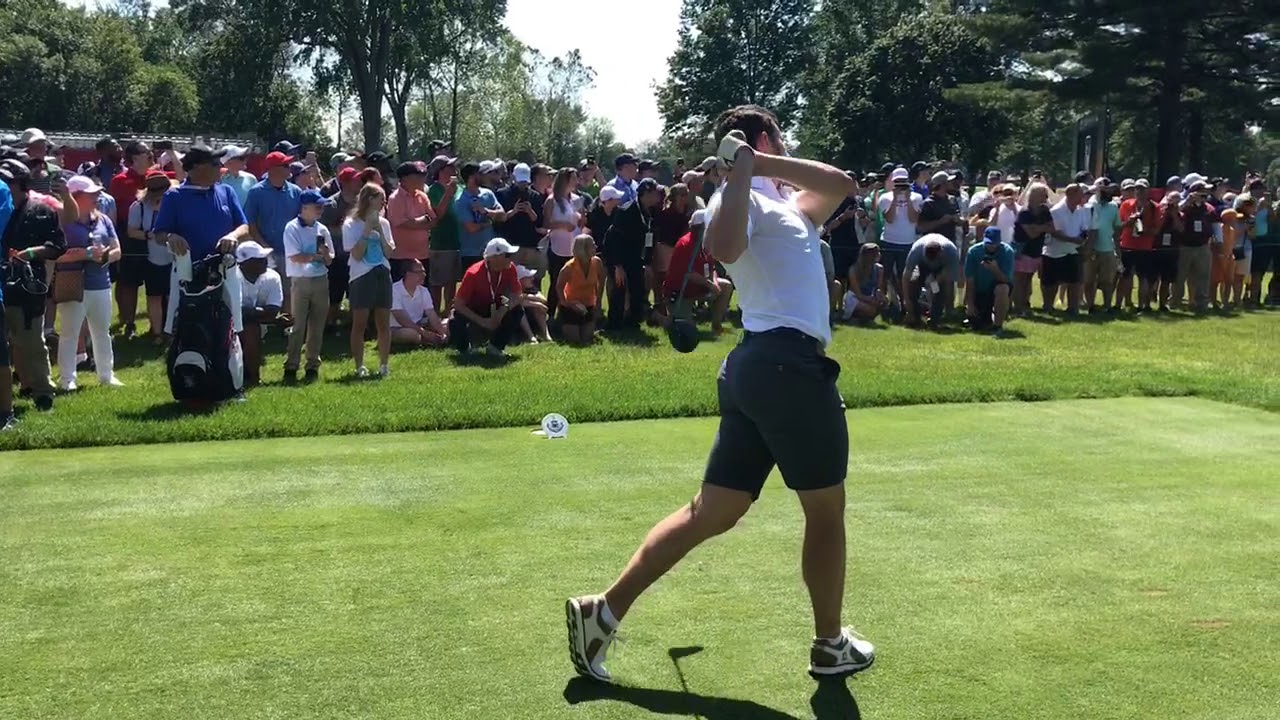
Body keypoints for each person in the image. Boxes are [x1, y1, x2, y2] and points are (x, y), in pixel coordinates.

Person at [566, 105, 874, 684]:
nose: (783, 148)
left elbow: (841, 185)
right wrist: (737, 176)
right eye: (775, 139)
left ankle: (600, 612)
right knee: (826, 512)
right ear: (760, 137)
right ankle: (830, 645)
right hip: (783, 365)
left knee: (715, 511)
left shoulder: (793, 204)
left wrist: (759, 162)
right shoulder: (736, 202)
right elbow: (728, 248)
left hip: (762, 369)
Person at [1, 159, 63, 412]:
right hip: (1, 284)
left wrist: (29, 253)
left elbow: (58, 246)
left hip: (26, 285)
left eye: (8, 181)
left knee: (30, 340)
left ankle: (41, 391)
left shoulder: (41, 211)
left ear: (21, 183)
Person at [50, 176, 122, 390]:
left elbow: (117, 250)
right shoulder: (62, 222)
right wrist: (83, 255)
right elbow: (55, 255)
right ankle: (67, 379)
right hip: (73, 284)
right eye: (91, 194)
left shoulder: (103, 220)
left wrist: (104, 256)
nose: (97, 197)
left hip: (101, 283)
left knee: (102, 332)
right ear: (75, 196)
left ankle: (106, 375)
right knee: (70, 333)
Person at [342, 183, 396, 378]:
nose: (384, 202)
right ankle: (359, 366)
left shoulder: (385, 223)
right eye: (380, 197)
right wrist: (366, 230)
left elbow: (389, 252)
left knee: (383, 322)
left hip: (382, 272)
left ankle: (383, 365)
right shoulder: (350, 224)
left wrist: (379, 231)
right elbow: (356, 254)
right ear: (368, 199)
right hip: (361, 275)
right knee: (360, 323)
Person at [282, 190, 333, 383]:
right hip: (300, 281)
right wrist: (315, 257)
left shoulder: (322, 229)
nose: (320, 209)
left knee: (317, 326)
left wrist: (325, 254)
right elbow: (294, 257)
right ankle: (291, 365)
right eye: (316, 206)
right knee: (297, 325)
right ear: (304, 208)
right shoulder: (291, 228)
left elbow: (329, 260)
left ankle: (312, 365)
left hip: (321, 280)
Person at [448, 238, 527, 358]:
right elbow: (458, 304)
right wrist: (482, 322)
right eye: (507, 255)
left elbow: (518, 295)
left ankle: (495, 347)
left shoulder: (510, 268)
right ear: (493, 257)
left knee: (517, 310)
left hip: (495, 304)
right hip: (473, 308)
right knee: (455, 319)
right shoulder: (473, 273)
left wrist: (503, 310)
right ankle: (464, 350)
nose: (510, 258)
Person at [662, 209, 734, 333]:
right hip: (680, 292)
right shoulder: (685, 244)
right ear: (700, 227)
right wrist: (709, 285)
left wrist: (714, 282)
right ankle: (658, 317)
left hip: (700, 287)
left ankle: (716, 325)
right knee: (681, 328)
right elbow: (688, 274)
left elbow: (712, 268)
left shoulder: (706, 243)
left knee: (726, 286)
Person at [604, 178, 662, 330]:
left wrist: (648, 262)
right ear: (646, 193)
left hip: (636, 258)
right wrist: (617, 266)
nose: (658, 196)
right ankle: (614, 325)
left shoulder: (653, 211)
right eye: (655, 192)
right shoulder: (627, 210)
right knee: (619, 290)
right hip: (620, 258)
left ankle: (633, 322)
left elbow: (651, 237)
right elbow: (614, 239)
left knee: (638, 289)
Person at [126, 169, 175, 343]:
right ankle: (157, 333)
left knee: (172, 295)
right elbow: (131, 231)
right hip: (150, 258)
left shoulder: (175, 202)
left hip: (173, 257)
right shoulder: (138, 206)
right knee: (154, 295)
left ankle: (170, 330)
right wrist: (148, 235)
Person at [245, 150, 303, 286]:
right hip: (265, 253)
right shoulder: (256, 192)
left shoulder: (296, 192)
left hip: (290, 252)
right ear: (273, 169)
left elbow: (301, 221)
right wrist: (264, 248)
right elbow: (250, 224)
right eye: (285, 165)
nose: (290, 168)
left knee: (290, 294)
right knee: (269, 294)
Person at [234, 241, 284, 387]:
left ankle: (252, 377)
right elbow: (237, 311)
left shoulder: (273, 277)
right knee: (251, 329)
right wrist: (267, 316)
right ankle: (250, 377)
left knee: (251, 328)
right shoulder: (232, 278)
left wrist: (256, 314)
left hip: (256, 323)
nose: (265, 261)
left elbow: (273, 310)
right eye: (259, 259)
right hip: (229, 322)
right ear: (245, 263)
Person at [877, 168, 922, 314]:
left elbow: (913, 219)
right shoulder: (885, 198)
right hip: (889, 241)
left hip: (907, 242)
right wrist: (895, 199)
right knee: (885, 275)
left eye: (904, 182)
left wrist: (908, 199)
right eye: (898, 182)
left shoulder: (916, 197)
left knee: (905, 276)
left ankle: (906, 305)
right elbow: (889, 219)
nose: (901, 186)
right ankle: (882, 304)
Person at [321, 166, 360, 329]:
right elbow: (322, 229)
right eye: (356, 180)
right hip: (338, 257)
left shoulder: (361, 202)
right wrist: (344, 227)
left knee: (356, 294)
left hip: (357, 256)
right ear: (345, 183)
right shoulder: (331, 204)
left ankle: (354, 325)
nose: (359, 183)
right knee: (335, 295)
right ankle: (329, 323)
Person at [1173, 180, 1220, 313]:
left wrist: (1217, 240)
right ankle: (1176, 301)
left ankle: (1202, 303)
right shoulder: (1186, 206)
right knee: (1180, 276)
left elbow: (1214, 224)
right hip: (1185, 246)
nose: (1205, 195)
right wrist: (1188, 200)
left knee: (1203, 276)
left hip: (1203, 246)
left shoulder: (1209, 208)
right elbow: (1176, 211)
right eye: (1202, 192)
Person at [542, 167, 583, 318]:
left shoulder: (577, 199)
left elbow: (582, 220)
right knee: (556, 282)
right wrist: (562, 225)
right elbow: (546, 223)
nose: (576, 181)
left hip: (573, 246)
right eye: (572, 178)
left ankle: (569, 314)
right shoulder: (551, 200)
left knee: (573, 282)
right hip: (557, 246)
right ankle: (550, 315)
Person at [1044, 183, 1090, 314]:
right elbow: (1055, 232)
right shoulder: (1056, 211)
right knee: (1051, 282)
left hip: (1073, 251)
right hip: (1055, 252)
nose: (1082, 197)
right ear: (1071, 194)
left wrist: (1083, 239)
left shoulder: (1081, 211)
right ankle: (1048, 307)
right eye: (1080, 194)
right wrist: (1073, 240)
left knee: (1074, 281)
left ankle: (1072, 308)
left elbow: (1084, 228)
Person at [424, 155, 461, 314]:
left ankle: (448, 313)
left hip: (457, 243)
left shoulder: (460, 188)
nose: (454, 170)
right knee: (437, 283)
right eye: (450, 167)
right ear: (440, 171)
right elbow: (437, 215)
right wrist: (448, 194)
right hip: (440, 245)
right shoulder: (434, 190)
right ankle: (435, 315)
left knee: (452, 282)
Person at [497, 163, 546, 278]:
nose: (522, 184)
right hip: (510, 245)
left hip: (530, 245)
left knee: (532, 281)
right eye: (520, 181)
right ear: (513, 177)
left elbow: (539, 222)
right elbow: (499, 220)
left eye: (524, 181)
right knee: (510, 280)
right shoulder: (502, 194)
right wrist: (513, 212)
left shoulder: (535, 196)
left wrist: (530, 211)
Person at [388, 161, 435, 281]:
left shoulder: (422, 196)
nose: (422, 178)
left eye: (422, 175)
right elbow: (403, 224)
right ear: (405, 178)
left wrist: (416, 222)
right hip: (401, 257)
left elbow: (433, 220)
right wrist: (423, 220)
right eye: (417, 175)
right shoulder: (395, 199)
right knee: (401, 293)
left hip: (422, 255)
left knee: (422, 291)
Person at [1118, 179, 1159, 312]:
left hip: (1145, 248)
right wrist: (1130, 222)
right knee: (1125, 276)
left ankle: (1142, 306)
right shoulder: (1126, 205)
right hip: (1127, 246)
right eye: (1137, 189)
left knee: (1143, 278)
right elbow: (1119, 226)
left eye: (1142, 189)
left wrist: (1143, 230)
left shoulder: (1155, 207)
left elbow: (1156, 230)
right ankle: (1120, 304)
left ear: (1148, 190)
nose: (1139, 192)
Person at [901, 233, 961, 326]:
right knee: (912, 285)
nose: (933, 262)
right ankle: (915, 316)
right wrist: (906, 300)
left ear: (941, 252)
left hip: (941, 269)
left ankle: (935, 318)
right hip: (923, 267)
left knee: (940, 290)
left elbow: (949, 278)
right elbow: (906, 275)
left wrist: (934, 283)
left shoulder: (951, 252)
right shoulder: (916, 251)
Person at [555, 234, 605, 346]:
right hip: (572, 306)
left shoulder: (597, 262)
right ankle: (560, 324)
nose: (596, 247)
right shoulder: (569, 267)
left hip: (588, 306)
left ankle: (590, 329)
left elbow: (601, 281)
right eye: (593, 245)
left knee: (586, 339)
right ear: (584, 249)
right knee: (575, 341)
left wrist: (598, 301)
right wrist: (567, 304)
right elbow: (559, 287)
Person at [455, 162, 505, 269]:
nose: (484, 176)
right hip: (471, 254)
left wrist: (486, 211)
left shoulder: (488, 194)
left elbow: (502, 215)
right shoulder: (461, 201)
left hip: (490, 252)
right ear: (472, 177)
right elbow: (471, 228)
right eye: (480, 173)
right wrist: (488, 223)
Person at [965, 227, 1014, 335]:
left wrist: (995, 270)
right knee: (978, 323)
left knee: (1002, 288)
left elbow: (1006, 280)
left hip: (998, 289)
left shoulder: (1007, 252)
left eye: (994, 243)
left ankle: (998, 326)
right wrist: (970, 304)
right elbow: (970, 280)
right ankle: (987, 316)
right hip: (980, 291)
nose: (991, 246)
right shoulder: (973, 252)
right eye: (988, 243)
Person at [390, 258, 447, 346]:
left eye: (424, 272)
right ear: (408, 274)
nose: (423, 275)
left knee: (446, 325)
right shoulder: (394, 290)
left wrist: (442, 332)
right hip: (398, 328)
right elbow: (401, 318)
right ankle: (428, 339)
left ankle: (433, 338)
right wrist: (423, 332)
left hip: (419, 325)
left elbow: (431, 314)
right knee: (412, 335)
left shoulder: (423, 291)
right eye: (419, 272)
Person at [1083, 180, 1121, 313]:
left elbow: (1117, 228)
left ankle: (1107, 305)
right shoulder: (1089, 206)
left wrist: (1117, 248)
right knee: (1089, 280)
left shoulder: (1113, 207)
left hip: (1107, 249)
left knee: (1107, 281)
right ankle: (1090, 305)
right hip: (1091, 249)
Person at [841, 242, 886, 323]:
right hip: (855, 298)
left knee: (882, 304)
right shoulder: (854, 270)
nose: (879, 255)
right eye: (876, 253)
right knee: (871, 310)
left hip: (868, 297)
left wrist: (880, 296)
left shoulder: (880, 269)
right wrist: (871, 301)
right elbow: (858, 294)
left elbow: (878, 287)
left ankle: (863, 319)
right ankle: (853, 318)